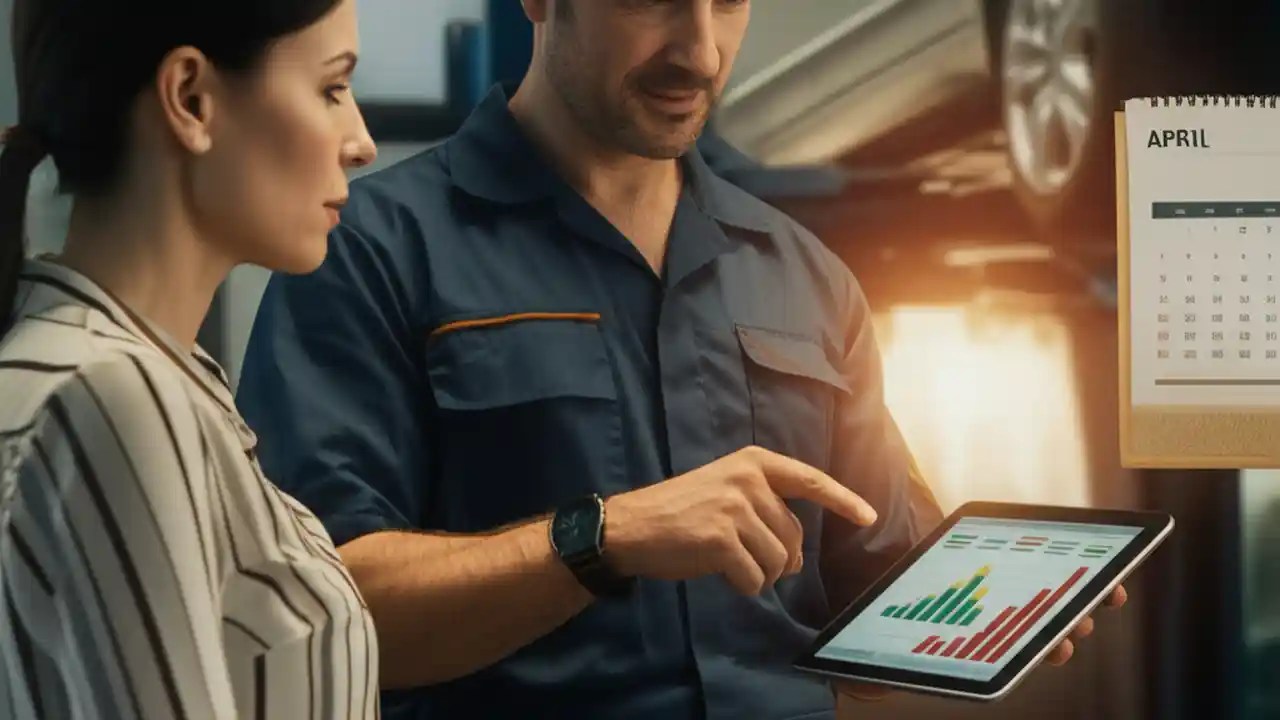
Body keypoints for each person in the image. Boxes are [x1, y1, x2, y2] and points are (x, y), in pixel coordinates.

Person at [237, 1, 1124, 718]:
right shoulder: (370, 251)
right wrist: (604, 538)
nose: (698, 48)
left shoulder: (806, 278)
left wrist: (989, 611)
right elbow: (316, 611)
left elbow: (869, 609)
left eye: (728, 2)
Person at [0, 1, 381, 717]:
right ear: (191, 99)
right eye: (332, 89)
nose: (360, 141)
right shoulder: (114, 392)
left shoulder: (122, 370)